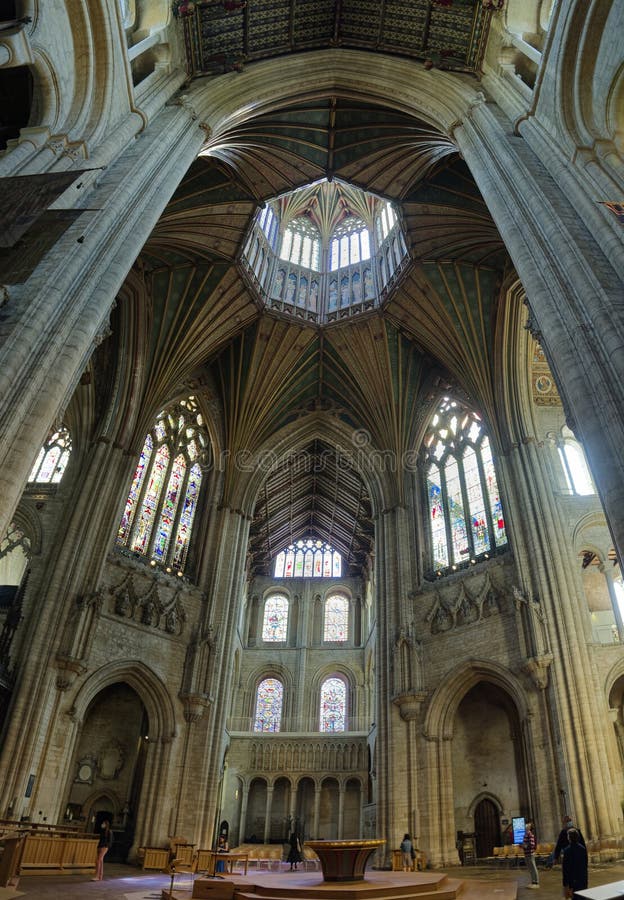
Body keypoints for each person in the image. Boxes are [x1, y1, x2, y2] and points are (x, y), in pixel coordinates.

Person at [562, 829, 588, 898]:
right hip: (583, 880)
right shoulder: (583, 848)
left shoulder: (567, 850)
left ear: (569, 838)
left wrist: (566, 885)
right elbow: (585, 865)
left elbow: (566, 869)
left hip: (573, 883)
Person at [523, 821, 539, 890]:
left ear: (530, 827)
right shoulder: (526, 834)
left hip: (530, 853)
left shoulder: (530, 834)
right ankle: (533, 882)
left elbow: (532, 844)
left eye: (528, 825)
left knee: (533, 868)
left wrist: (524, 845)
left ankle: (536, 882)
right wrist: (522, 845)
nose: (526, 825)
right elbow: (526, 843)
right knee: (530, 869)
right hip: (526, 853)